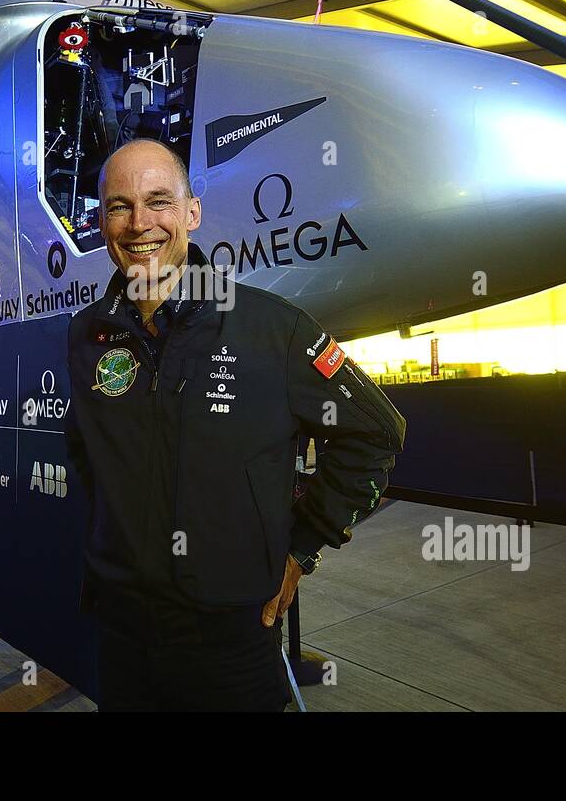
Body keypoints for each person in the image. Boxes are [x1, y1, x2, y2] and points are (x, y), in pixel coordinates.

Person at [65, 139, 405, 712]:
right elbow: (90, 458)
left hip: (230, 638)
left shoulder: (271, 329)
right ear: (101, 223)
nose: (140, 223)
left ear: (192, 213)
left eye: (158, 202)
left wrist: (301, 547)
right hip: (121, 633)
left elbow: (375, 432)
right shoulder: (87, 336)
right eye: (120, 206)